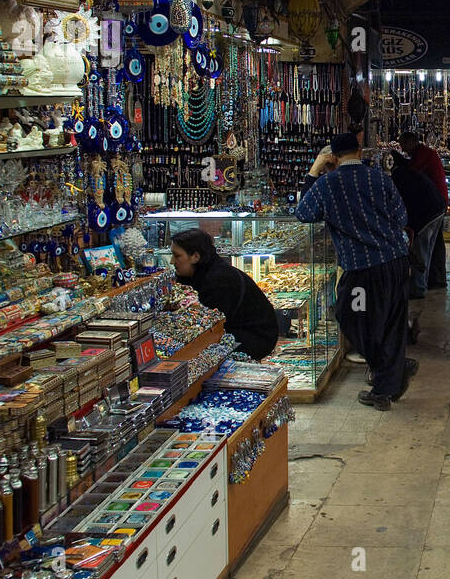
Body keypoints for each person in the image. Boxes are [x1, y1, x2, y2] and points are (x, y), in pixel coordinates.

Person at [295, 132, 417, 411]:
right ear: (359, 152)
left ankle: (387, 383)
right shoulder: (380, 178)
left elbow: (303, 213)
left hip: (361, 269)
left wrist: (314, 172)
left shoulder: (327, 184)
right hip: (395, 262)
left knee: (352, 319)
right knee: (391, 324)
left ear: (333, 157)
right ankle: (392, 377)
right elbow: (401, 217)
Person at [170, 229, 281, 360]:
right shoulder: (200, 273)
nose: (172, 261)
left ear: (196, 257)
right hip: (241, 331)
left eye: (177, 256)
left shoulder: (218, 280)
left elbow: (209, 327)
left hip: (255, 337)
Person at [387, 150, 446, 301]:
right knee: (427, 250)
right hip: (437, 209)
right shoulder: (408, 172)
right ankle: (423, 284)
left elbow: (404, 204)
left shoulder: (398, 177)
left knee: (421, 252)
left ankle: (418, 289)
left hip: (428, 214)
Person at [399, 131, 450, 291]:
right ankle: (436, 279)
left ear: (411, 142)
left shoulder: (423, 155)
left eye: (403, 144)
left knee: (423, 246)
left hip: (433, 206)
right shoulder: (423, 154)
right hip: (436, 203)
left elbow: (413, 171)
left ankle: (419, 286)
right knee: (434, 245)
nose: (403, 148)